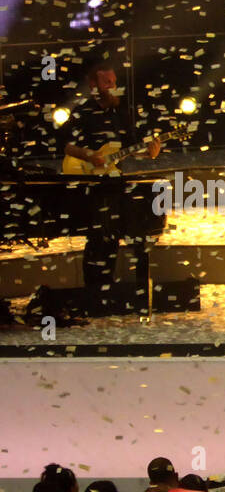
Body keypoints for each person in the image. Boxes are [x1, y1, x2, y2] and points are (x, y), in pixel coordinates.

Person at [56, 62, 164, 312]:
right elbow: (66, 146)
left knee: (112, 236)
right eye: (108, 83)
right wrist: (88, 155)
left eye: (114, 82)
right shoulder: (83, 112)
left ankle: (107, 294)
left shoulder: (121, 114)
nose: (113, 87)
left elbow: (131, 148)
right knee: (97, 238)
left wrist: (149, 153)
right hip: (89, 183)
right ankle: (93, 293)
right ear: (94, 85)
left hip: (113, 182)